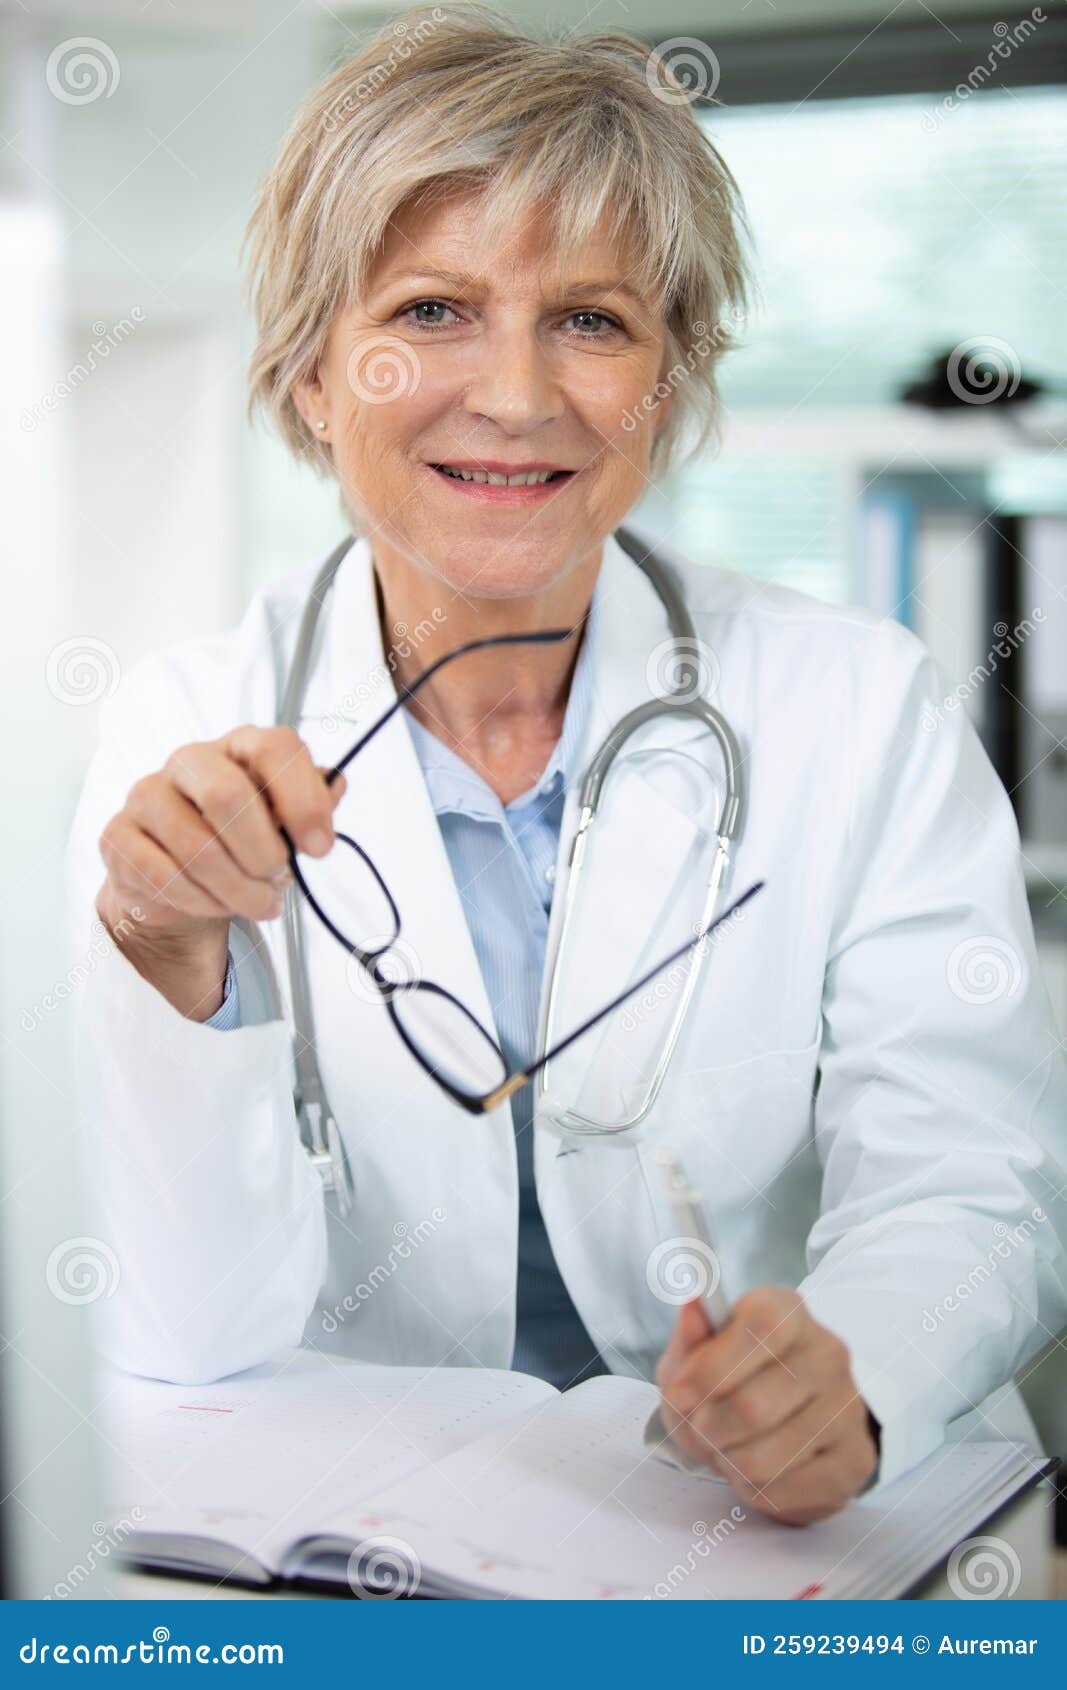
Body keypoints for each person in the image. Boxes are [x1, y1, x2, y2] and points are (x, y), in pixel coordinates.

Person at [65, 5, 1067, 1527]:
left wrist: (856, 1368)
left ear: (669, 381)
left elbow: (976, 1182)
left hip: (755, 1545)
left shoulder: (860, 708)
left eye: (593, 320)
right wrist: (164, 944)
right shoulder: (182, 738)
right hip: (354, 1544)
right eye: (431, 311)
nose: (521, 394)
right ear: (315, 373)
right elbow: (180, 1329)